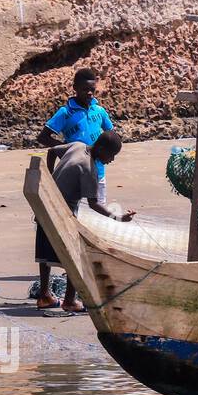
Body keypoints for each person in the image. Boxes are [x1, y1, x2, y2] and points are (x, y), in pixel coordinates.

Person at [36, 131, 134, 312]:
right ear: (102, 149)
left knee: (44, 255)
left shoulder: (77, 145)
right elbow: (94, 204)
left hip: (45, 206)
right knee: (77, 256)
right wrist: (119, 218)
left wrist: (49, 177)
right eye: (111, 155)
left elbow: (51, 151)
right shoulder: (90, 170)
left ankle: (44, 296)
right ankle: (69, 301)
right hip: (62, 215)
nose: (111, 160)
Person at [38, 67, 115, 206]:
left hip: (98, 171)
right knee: (74, 211)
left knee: (99, 210)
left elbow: (111, 134)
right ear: (75, 88)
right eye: (85, 89)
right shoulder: (65, 112)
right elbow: (43, 137)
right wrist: (68, 149)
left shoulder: (99, 110)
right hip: (76, 173)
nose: (90, 93)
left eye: (93, 89)